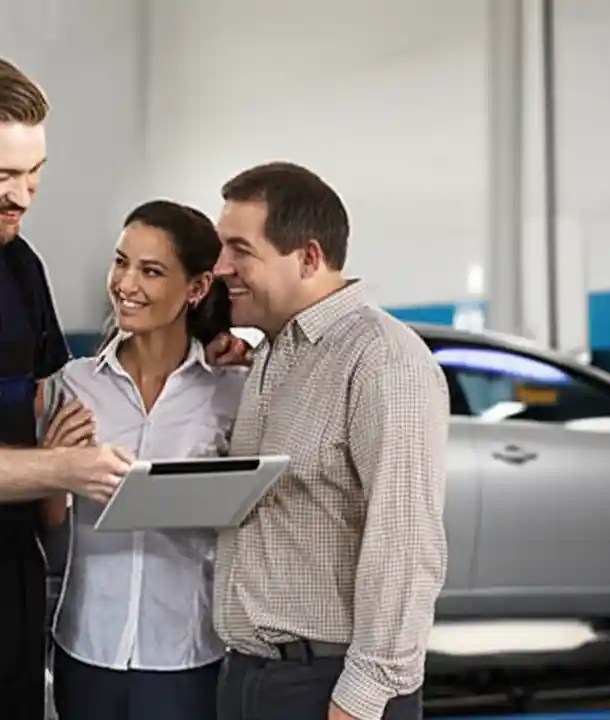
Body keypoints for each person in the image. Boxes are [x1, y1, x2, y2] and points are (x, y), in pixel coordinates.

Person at [0, 56, 248, 720]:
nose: (23, 196)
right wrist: (64, 468)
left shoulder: (17, 263)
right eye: (1, 176)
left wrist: (211, 347)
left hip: (15, 589)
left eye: (34, 174)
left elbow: (53, 388)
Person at [209, 162, 449, 720]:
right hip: (250, 677)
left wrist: (362, 696)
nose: (221, 267)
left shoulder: (382, 360)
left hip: (331, 687)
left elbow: (406, 544)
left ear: (309, 258)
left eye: (239, 249)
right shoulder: (270, 355)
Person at [34, 199, 248, 720]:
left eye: (151, 271)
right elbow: (49, 523)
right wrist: (52, 463)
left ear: (196, 289)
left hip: (187, 651)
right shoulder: (74, 385)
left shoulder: (231, 391)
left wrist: (253, 354)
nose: (126, 284)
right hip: (87, 646)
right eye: (121, 261)